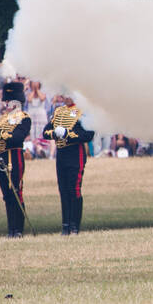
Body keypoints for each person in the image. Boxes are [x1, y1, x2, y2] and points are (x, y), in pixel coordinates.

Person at [43, 95, 95, 235]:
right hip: (61, 153)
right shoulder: (59, 111)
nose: (65, 97)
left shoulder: (82, 111)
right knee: (63, 190)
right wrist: (55, 133)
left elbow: (88, 134)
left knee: (74, 189)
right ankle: (65, 224)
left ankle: (74, 225)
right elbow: (46, 131)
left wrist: (68, 133)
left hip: (75, 152)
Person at [0, 81, 31, 237]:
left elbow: (17, 137)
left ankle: (18, 228)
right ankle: (11, 229)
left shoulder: (24, 118)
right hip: (1, 156)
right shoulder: (2, 119)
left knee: (15, 192)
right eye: (5, 100)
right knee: (6, 195)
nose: (6, 103)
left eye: (8, 100)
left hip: (14, 155)